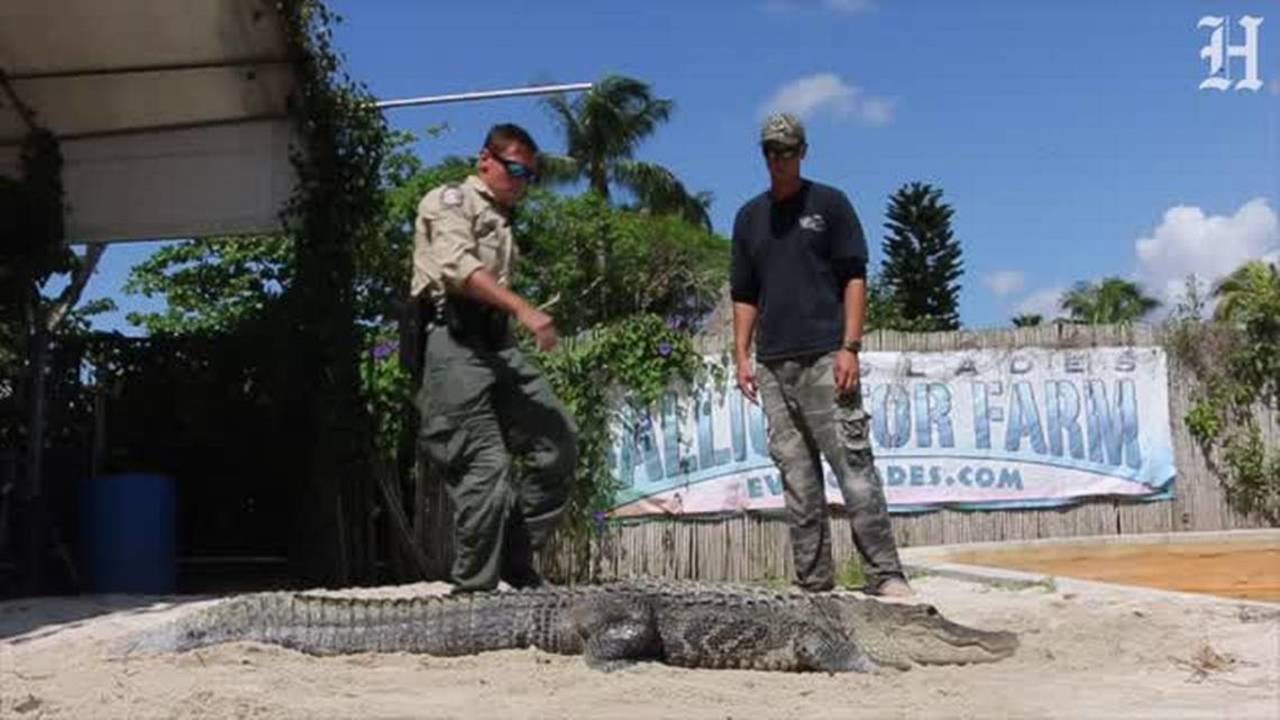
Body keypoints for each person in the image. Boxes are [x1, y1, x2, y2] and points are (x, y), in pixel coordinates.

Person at [729, 113, 913, 597]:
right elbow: (744, 294)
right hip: (772, 364)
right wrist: (741, 355)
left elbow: (855, 275)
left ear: (803, 152)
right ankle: (814, 585)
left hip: (825, 358)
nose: (779, 159)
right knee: (798, 482)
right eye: (771, 150)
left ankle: (885, 575)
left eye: (787, 150)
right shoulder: (749, 217)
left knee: (854, 470)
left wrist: (850, 346)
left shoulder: (830, 204)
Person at [408, 123, 578, 594]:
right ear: (486, 160)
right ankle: (473, 592)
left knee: (558, 442)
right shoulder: (450, 202)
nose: (524, 181)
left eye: (531, 175)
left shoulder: (502, 221)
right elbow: (459, 269)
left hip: (498, 345)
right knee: (485, 467)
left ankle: (516, 566)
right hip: (452, 342)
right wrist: (524, 309)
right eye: (518, 169)